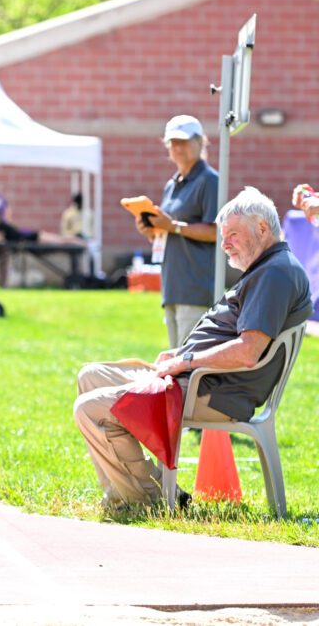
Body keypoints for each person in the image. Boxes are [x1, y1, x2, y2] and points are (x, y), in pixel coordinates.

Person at [74, 187, 312, 510]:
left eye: (232, 234)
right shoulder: (268, 268)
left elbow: (248, 351)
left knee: (89, 409)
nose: (224, 243)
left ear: (262, 228)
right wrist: (178, 357)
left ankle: (148, 499)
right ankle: (135, 492)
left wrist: (185, 360)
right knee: (90, 376)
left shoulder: (275, 273)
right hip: (195, 381)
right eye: (224, 235)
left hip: (209, 390)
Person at [135, 115, 219, 348]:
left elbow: (216, 232)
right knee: (176, 359)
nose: (178, 148)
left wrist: (172, 226)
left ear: (200, 142)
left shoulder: (210, 181)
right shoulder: (171, 185)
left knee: (189, 361)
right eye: (173, 142)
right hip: (172, 286)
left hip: (196, 287)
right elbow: (170, 231)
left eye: (184, 141)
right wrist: (151, 230)